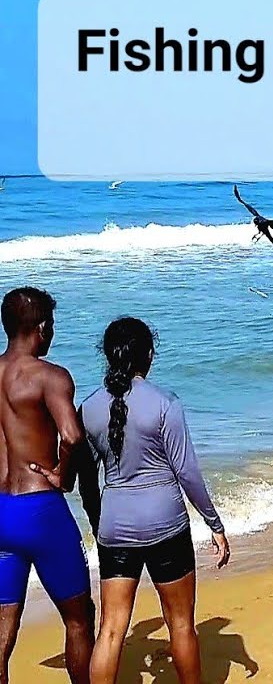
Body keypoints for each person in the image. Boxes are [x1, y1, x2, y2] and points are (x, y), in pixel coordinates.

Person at [75, 317, 230, 684]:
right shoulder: (165, 404)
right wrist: (215, 525)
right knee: (180, 625)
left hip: (115, 529)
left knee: (111, 630)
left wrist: (100, 523)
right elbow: (188, 473)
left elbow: (86, 481)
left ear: (109, 356)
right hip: (165, 525)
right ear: (149, 355)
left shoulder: (90, 408)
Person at [0, 287, 94, 684]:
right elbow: (72, 435)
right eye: (50, 326)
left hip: (3, 510)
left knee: (5, 619)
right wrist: (61, 473)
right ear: (41, 328)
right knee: (79, 616)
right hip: (41, 510)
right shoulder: (50, 377)